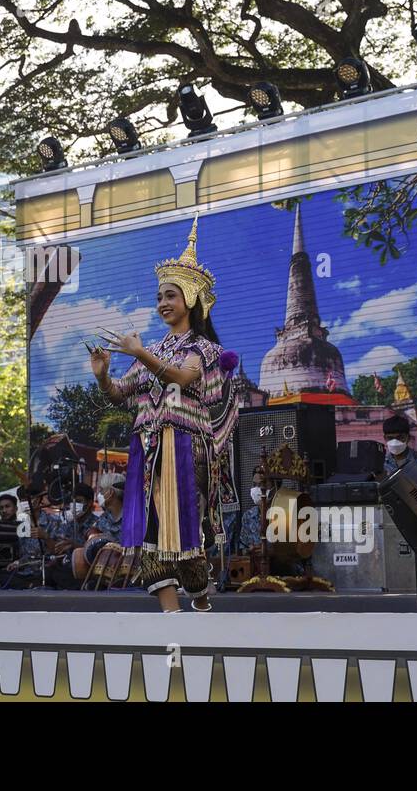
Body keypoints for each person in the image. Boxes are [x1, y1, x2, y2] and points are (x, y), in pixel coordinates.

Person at [89, 217, 239, 612]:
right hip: (148, 448)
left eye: (170, 295)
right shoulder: (154, 349)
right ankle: (172, 618)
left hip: (185, 447)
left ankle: (200, 600)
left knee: (188, 529)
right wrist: (103, 375)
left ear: (189, 299)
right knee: (151, 529)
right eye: (159, 297)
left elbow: (184, 378)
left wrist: (139, 353)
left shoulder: (202, 348)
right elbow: (121, 395)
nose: (162, 304)